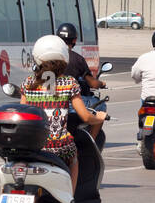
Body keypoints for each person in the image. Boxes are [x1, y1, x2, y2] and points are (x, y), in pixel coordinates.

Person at [21, 36, 106, 193]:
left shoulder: (28, 83)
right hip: (58, 145)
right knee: (73, 159)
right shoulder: (69, 83)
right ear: (64, 58)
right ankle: (70, 198)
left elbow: (23, 114)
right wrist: (99, 117)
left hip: (32, 145)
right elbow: (86, 117)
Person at [56, 22, 104, 103]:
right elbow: (93, 84)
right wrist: (102, 83)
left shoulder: (45, 58)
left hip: (47, 100)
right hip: (69, 102)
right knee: (99, 104)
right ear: (74, 40)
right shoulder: (77, 59)